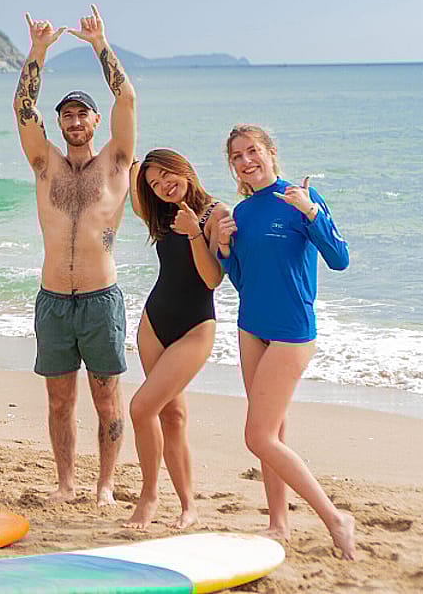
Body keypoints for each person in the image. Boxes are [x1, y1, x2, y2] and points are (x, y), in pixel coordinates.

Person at [12, 5, 136, 506]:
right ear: (60, 123)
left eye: (84, 112)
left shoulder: (117, 162)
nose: (76, 120)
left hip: (101, 300)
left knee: (107, 397)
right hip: (54, 301)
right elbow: (22, 108)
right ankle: (66, 484)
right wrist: (38, 52)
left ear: (96, 120)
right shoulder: (45, 165)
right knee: (59, 399)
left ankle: (105, 486)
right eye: (68, 114)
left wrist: (99, 43)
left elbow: (127, 95)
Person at [216, 124, 356, 559]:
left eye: (252, 151)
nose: (246, 161)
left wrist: (312, 213)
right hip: (250, 327)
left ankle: (335, 518)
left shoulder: (301, 199)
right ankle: (278, 523)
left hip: (292, 332)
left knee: (257, 437)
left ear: (271, 152)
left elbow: (339, 259)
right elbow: (243, 279)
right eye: (237, 156)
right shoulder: (241, 213)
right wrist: (223, 248)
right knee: (271, 427)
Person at [125, 149, 229, 530]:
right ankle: (182, 504)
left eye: (167, 175)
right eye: (155, 183)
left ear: (185, 168)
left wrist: (194, 235)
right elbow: (130, 171)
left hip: (195, 327)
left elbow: (212, 279)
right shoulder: (161, 213)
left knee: (141, 408)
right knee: (173, 413)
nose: (163, 186)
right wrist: (132, 162)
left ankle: (154, 496)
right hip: (154, 323)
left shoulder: (217, 214)